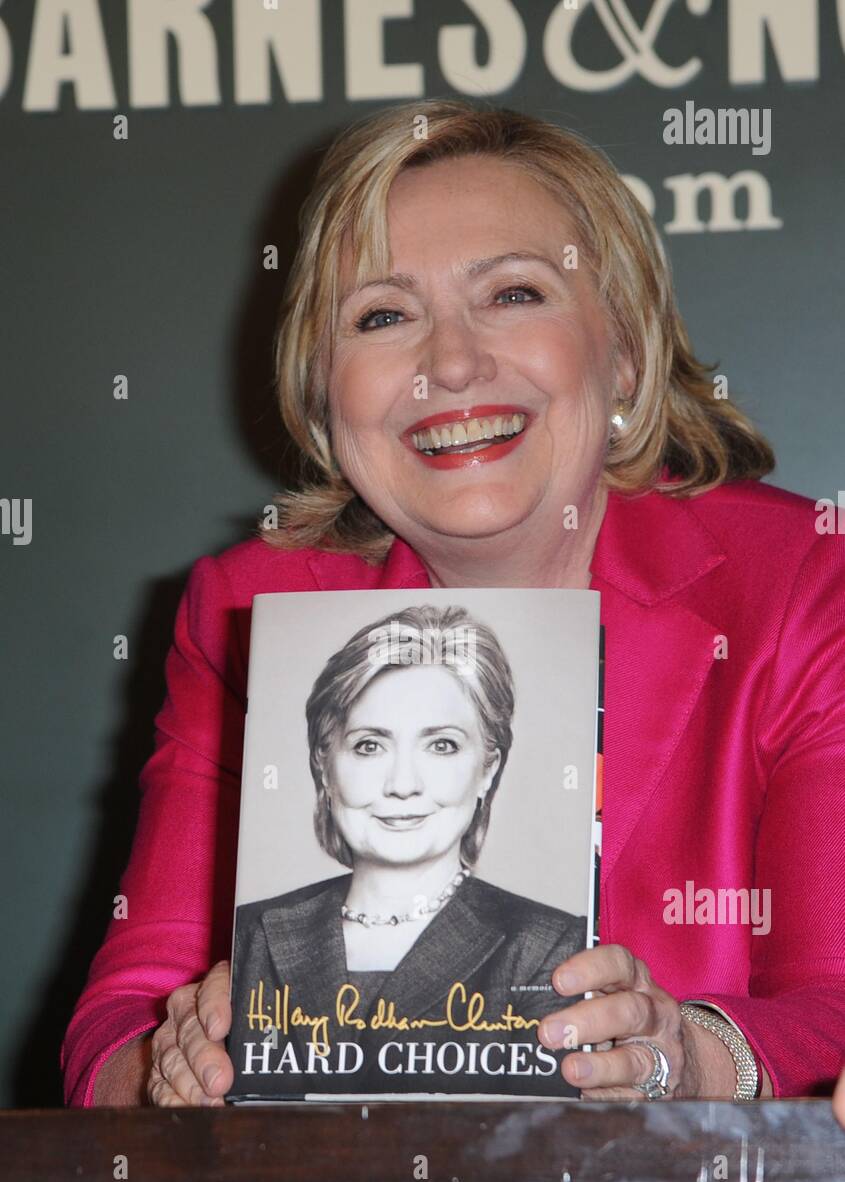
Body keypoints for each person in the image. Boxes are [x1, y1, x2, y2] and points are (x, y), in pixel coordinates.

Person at [62, 98, 845, 1109]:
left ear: (624, 356)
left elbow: (832, 997)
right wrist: (175, 1065)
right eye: (382, 317)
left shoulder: (794, 581)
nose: (452, 363)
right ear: (320, 397)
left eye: (513, 293)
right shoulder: (243, 610)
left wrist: (691, 1055)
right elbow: (115, 1029)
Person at [227, 603, 586, 1098]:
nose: (402, 785)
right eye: (369, 746)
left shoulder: (549, 945)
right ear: (324, 765)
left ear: (487, 767)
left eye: (441, 745)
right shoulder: (250, 936)